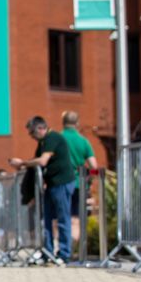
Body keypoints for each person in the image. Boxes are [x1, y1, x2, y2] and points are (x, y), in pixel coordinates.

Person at [10, 116, 77, 264]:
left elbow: (42, 160)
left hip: (62, 183)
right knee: (45, 219)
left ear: (41, 128)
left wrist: (23, 163)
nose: (32, 137)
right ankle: (47, 251)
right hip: (52, 184)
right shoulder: (43, 142)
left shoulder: (52, 138)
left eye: (33, 133)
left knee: (62, 218)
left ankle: (64, 254)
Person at [61, 111, 98, 246]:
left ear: (63, 123)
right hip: (79, 183)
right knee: (75, 218)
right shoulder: (83, 141)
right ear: (77, 123)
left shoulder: (58, 139)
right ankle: (74, 250)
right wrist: (90, 178)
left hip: (60, 183)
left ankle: (62, 249)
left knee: (61, 218)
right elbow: (94, 166)